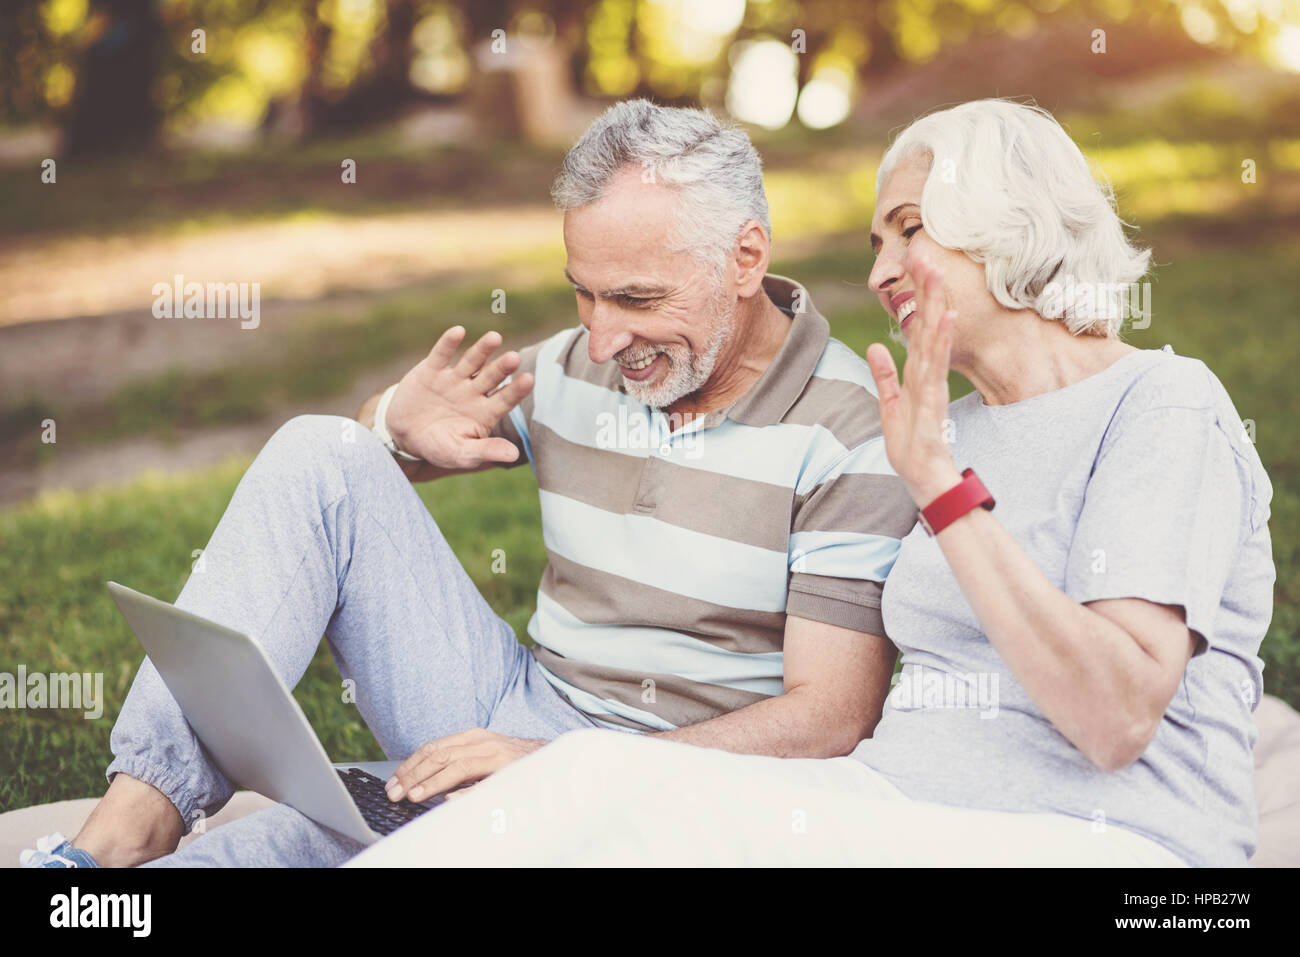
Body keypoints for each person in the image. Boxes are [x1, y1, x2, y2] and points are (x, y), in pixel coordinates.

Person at [342, 99, 1276, 868]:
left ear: (1010, 218)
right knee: (583, 786)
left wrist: (945, 493)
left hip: (1118, 850)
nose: (876, 271)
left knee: (591, 787)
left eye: (909, 229)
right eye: (876, 240)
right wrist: (392, 428)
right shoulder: (955, 429)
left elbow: (1116, 716)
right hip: (891, 807)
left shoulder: (1162, 403)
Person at [21, 99, 917, 868]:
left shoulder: (849, 428)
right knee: (321, 448)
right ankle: (121, 833)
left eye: (636, 299)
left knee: (301, 845)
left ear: (746, 258)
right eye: (583, 294)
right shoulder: (582, 365)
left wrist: (560, 770)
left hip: (677, 787)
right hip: (513, 704)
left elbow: (831, 715)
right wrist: (390, 424)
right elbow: (344, 485)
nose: (600, 342)